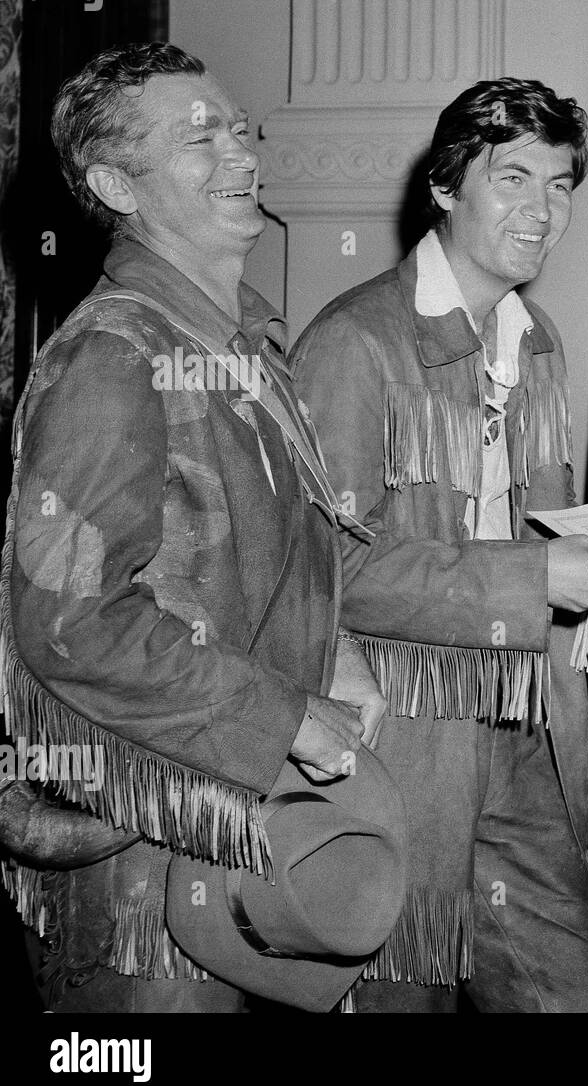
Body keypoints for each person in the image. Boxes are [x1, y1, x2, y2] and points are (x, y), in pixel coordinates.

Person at [0, 42, 387, 1011]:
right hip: (146, 870)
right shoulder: (112, 356)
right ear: (114, 185)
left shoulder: (234, 341)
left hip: (232, 838)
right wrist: (286, 715)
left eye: (238, 127)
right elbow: (72, 626)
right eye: (197, 137)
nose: (241, 154)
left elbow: (251, 554)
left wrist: (330, 648)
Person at [290, 78, 588, 1012]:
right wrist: (545, 574)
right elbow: (323, 572)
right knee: (398, 995)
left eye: (558, 186)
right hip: (404, 742)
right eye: (513, 178)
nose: (542, 211)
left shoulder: (535, 338)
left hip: (528, 730)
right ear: (444, 186)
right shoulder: (356, 339)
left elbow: (533, 539)